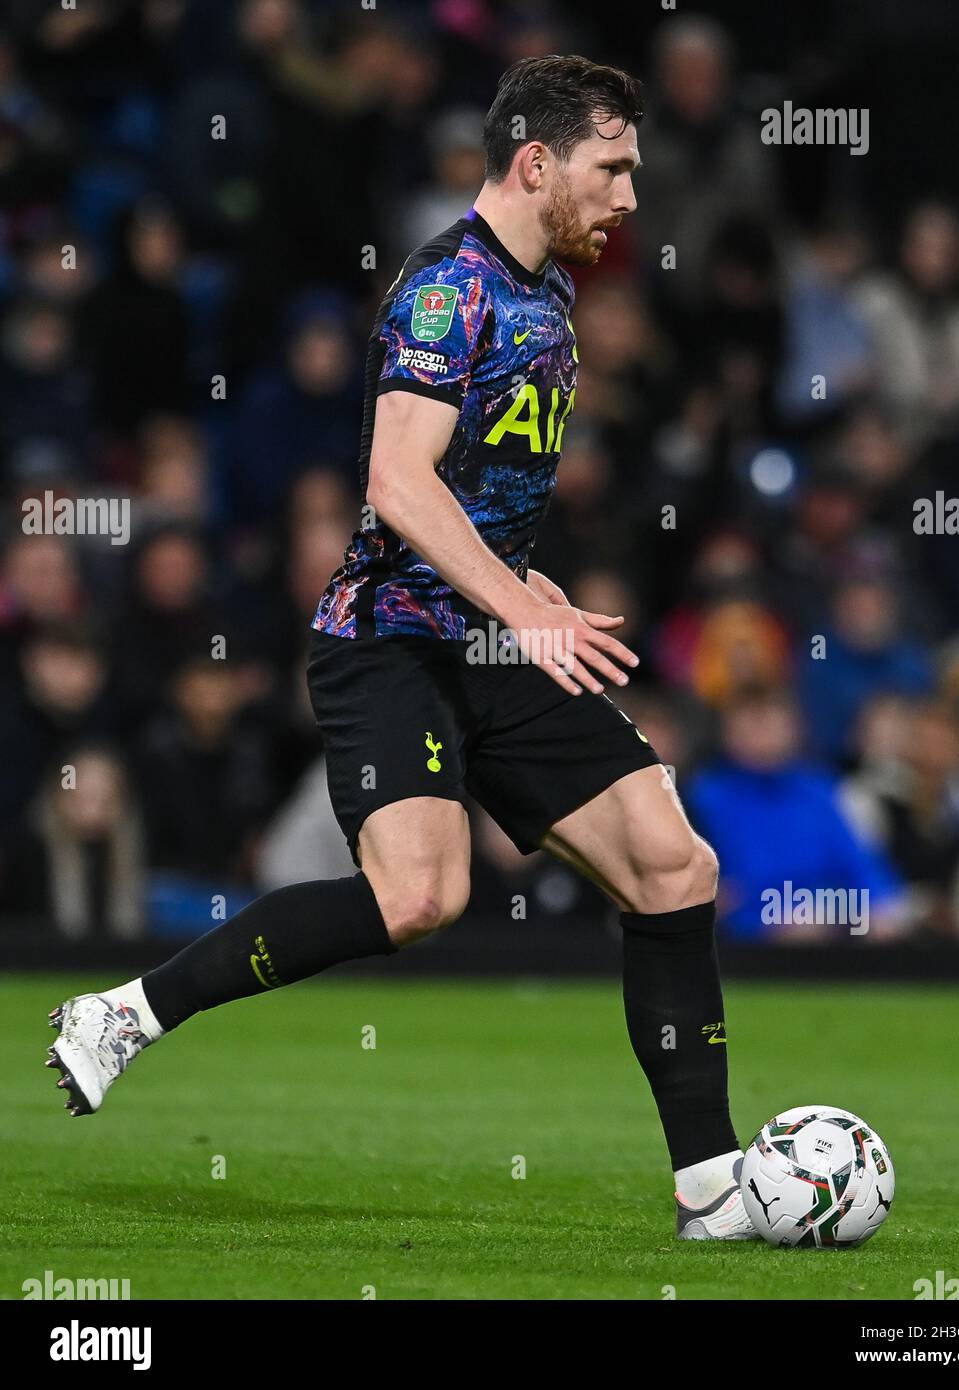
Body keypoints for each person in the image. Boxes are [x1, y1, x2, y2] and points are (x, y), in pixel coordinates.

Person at [46, 55, 756, 1242]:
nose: (633, 195)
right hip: (390, 641)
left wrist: (525, 592)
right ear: (536, 163)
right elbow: (392, 481)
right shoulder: (447, 290)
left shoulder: (550, 294)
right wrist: (519, 606)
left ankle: (711, 1187)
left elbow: (468, 504)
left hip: (489, 632)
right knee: (422, 895)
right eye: (614, 166)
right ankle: (126, 1012)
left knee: (673, 866)